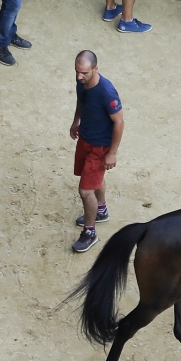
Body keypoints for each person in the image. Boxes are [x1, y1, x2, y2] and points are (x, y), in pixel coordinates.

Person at [70, 50, 125, 254]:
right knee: (95, 179)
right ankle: (101, 210)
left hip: (100, 146)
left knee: (85, 191)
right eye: (76, 71)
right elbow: (81, 101)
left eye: (83, 72)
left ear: (95, 69)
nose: (79, 76)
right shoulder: (81, 82)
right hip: (85, 138)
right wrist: (76, 122)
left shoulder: (106, 92)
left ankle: (90, 232)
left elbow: (119, 122)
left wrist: (112, 153)